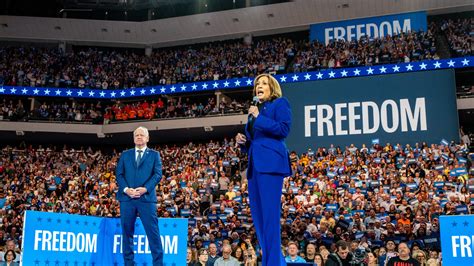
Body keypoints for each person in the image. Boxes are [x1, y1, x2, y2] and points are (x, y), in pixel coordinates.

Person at [236, 73, 291, 266]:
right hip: (255, 165)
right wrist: (243, 142)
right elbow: (254, 140)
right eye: (257, 84)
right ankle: (273, 262)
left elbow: (283, 130)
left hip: (271, 164)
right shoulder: (255, 110)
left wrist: (259, 118)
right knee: (259, 219)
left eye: (263, 83)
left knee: (270, 217)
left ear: (272, 87)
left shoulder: (280, 103)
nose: (259, 86)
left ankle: (274, 263)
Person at [116, 126, 163, 266]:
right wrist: (126, 189)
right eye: (136, 135)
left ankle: (158, 264)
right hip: (127, 199)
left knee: (153, 234)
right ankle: (129, 264)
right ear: (133, 138)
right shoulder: (125, 155)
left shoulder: (155, 155)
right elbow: (119, 174)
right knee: (127, 235)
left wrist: (145, 189)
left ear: (147, 138)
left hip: (146, 200)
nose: (139, 137)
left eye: (142, 135)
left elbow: (157, 175)